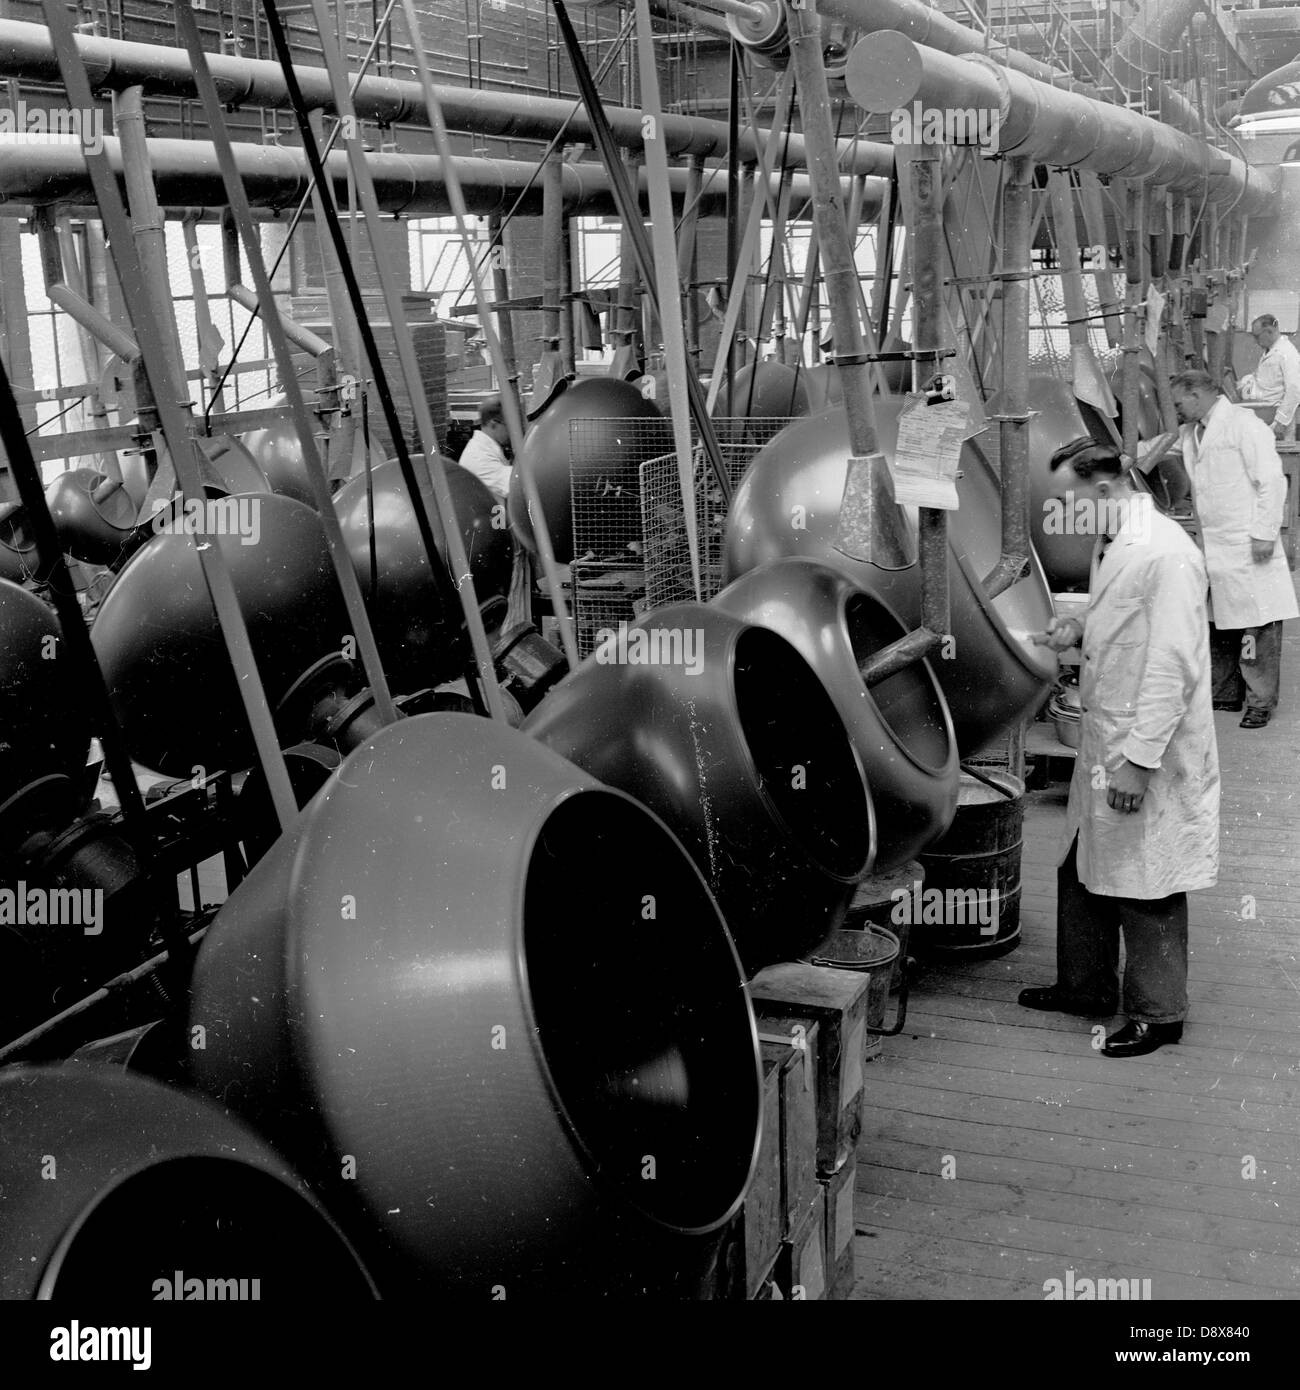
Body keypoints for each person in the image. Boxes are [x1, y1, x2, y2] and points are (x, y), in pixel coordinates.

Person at [1020, 439, 1219, 1059]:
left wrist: (1138, 761)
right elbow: (1126, 624)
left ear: (1103, 492)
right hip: (1108, 736)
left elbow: (1172, 665)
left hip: (1143, 747)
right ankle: (1084, 987)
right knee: (1082, 860)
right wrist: (1079, 629)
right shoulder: (1115, 543)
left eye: (1067, 503)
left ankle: (1159, 1014)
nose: (1062, 516)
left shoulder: (1167, 555)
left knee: (1146, 878)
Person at [1170, 368, 1298, 729]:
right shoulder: (1192, 432)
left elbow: (1271, 481)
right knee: (1220, 624)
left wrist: (1263, 534)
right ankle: (1226, 693)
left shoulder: (1244, 425)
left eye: (1180, 403)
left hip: (1247, 543)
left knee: (1256, 627)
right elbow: (1164, 451)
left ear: (1197, 395)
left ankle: (1260, 701)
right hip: (1216, 545)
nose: (1177, 409)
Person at [1237, 314, 1300, 441]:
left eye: (1257, 336)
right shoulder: (1271, 350)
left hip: (1277, 420)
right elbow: (1266, 378)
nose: (1255, 341)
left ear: (1269, 331)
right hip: (1266, 414)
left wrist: (1280, 422)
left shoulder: (1286, 353)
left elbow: (1295, 390)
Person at [457, 396, 513, 499]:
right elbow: (516, 486)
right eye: (510, 425)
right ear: (493, 424)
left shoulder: (487, 448)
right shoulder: (478, 457)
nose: (513, 432)